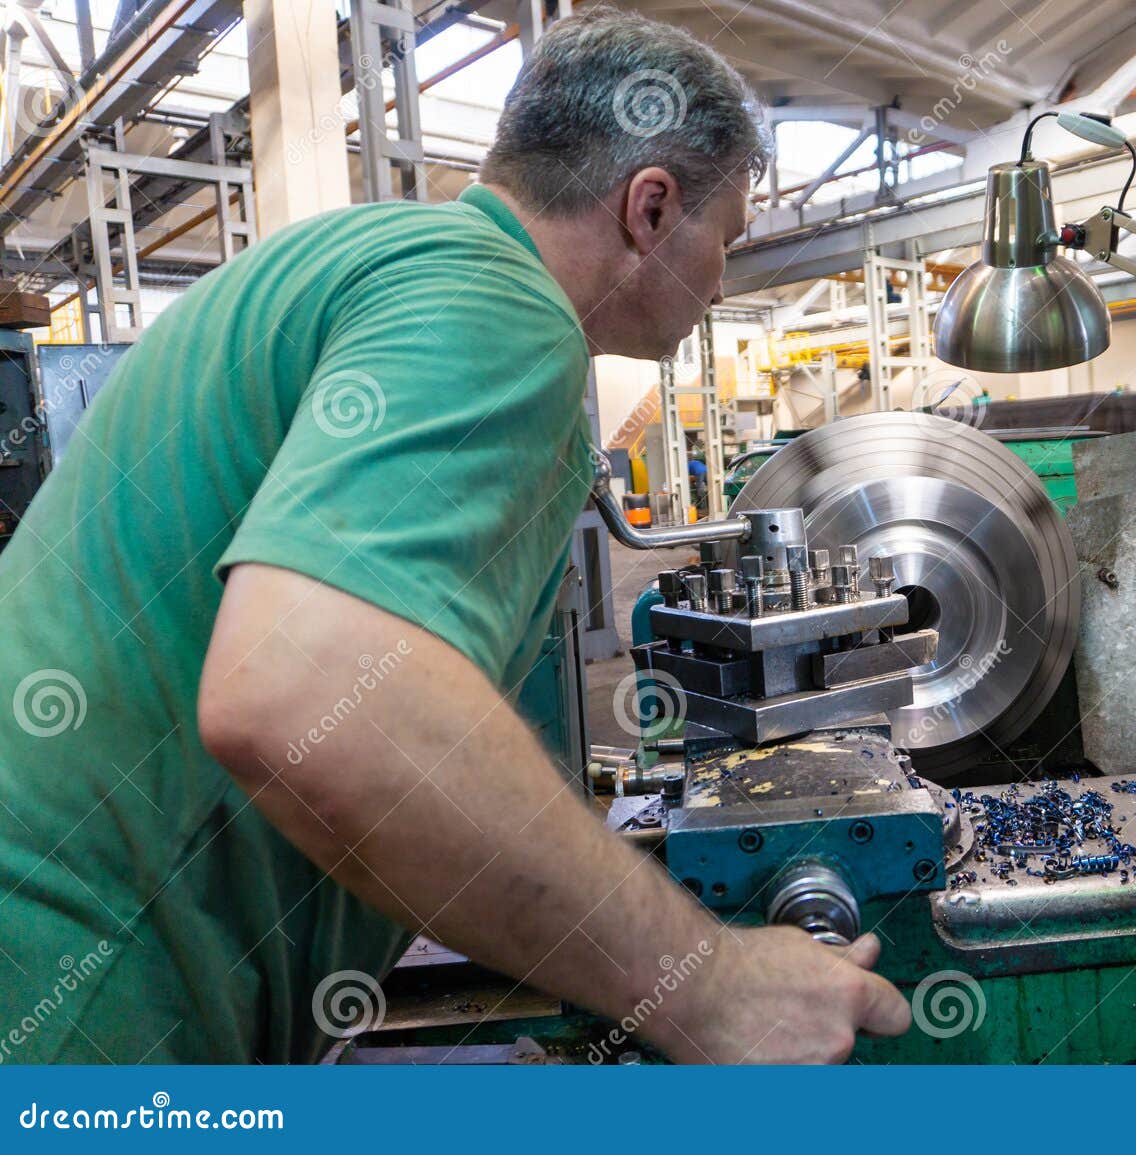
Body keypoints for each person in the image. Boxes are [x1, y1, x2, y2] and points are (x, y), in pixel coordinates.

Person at [0, 7, 910, 1064]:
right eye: (728, 239)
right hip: (67, 1001)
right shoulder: (495, 304)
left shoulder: (359, 258)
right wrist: (703, 984)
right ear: (650, 207)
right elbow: (304, 699)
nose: (720, 284)